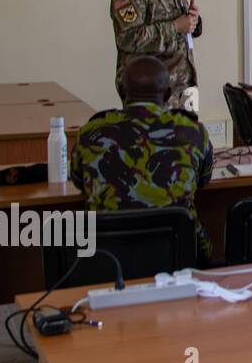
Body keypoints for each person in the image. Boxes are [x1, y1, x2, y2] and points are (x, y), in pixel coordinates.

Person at [70, 56, 215, 262]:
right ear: (166, 94)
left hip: (105, 258)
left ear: (122, 91)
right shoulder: (193, 132)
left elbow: (77, 180)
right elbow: (204, 180)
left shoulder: (92, 133)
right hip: (179, 254)